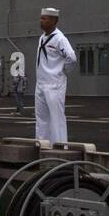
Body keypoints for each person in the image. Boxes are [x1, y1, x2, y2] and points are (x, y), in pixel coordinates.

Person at [34, 8, 77, 143]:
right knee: (41, 119)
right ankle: (42, 146)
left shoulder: (59, 39)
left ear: (53, 21)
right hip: (41, 83)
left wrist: (62, 71)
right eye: (41, 18)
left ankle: (60, 147)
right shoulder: (42, 37)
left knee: (56, 118)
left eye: (45, 19)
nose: (41, 21)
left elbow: (71, 57)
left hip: (54, 84)